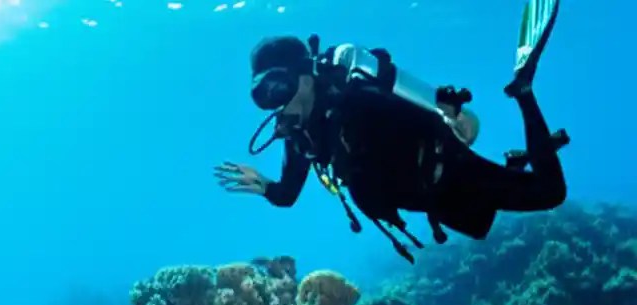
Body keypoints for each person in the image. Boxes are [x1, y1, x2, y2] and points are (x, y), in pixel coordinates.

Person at [214, 0, 569, 262]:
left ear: (306, 75)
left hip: (448, 170)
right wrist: (265, 187)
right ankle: (512, 165)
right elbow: (288, 194)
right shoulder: (301, 135)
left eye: (281, 86)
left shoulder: (356, 97)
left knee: (550, 193)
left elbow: (437, 114)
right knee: (479, 226)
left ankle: (523, 90)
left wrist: (453, 112)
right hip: (425, 197)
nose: (277, 102)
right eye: (263, 94)